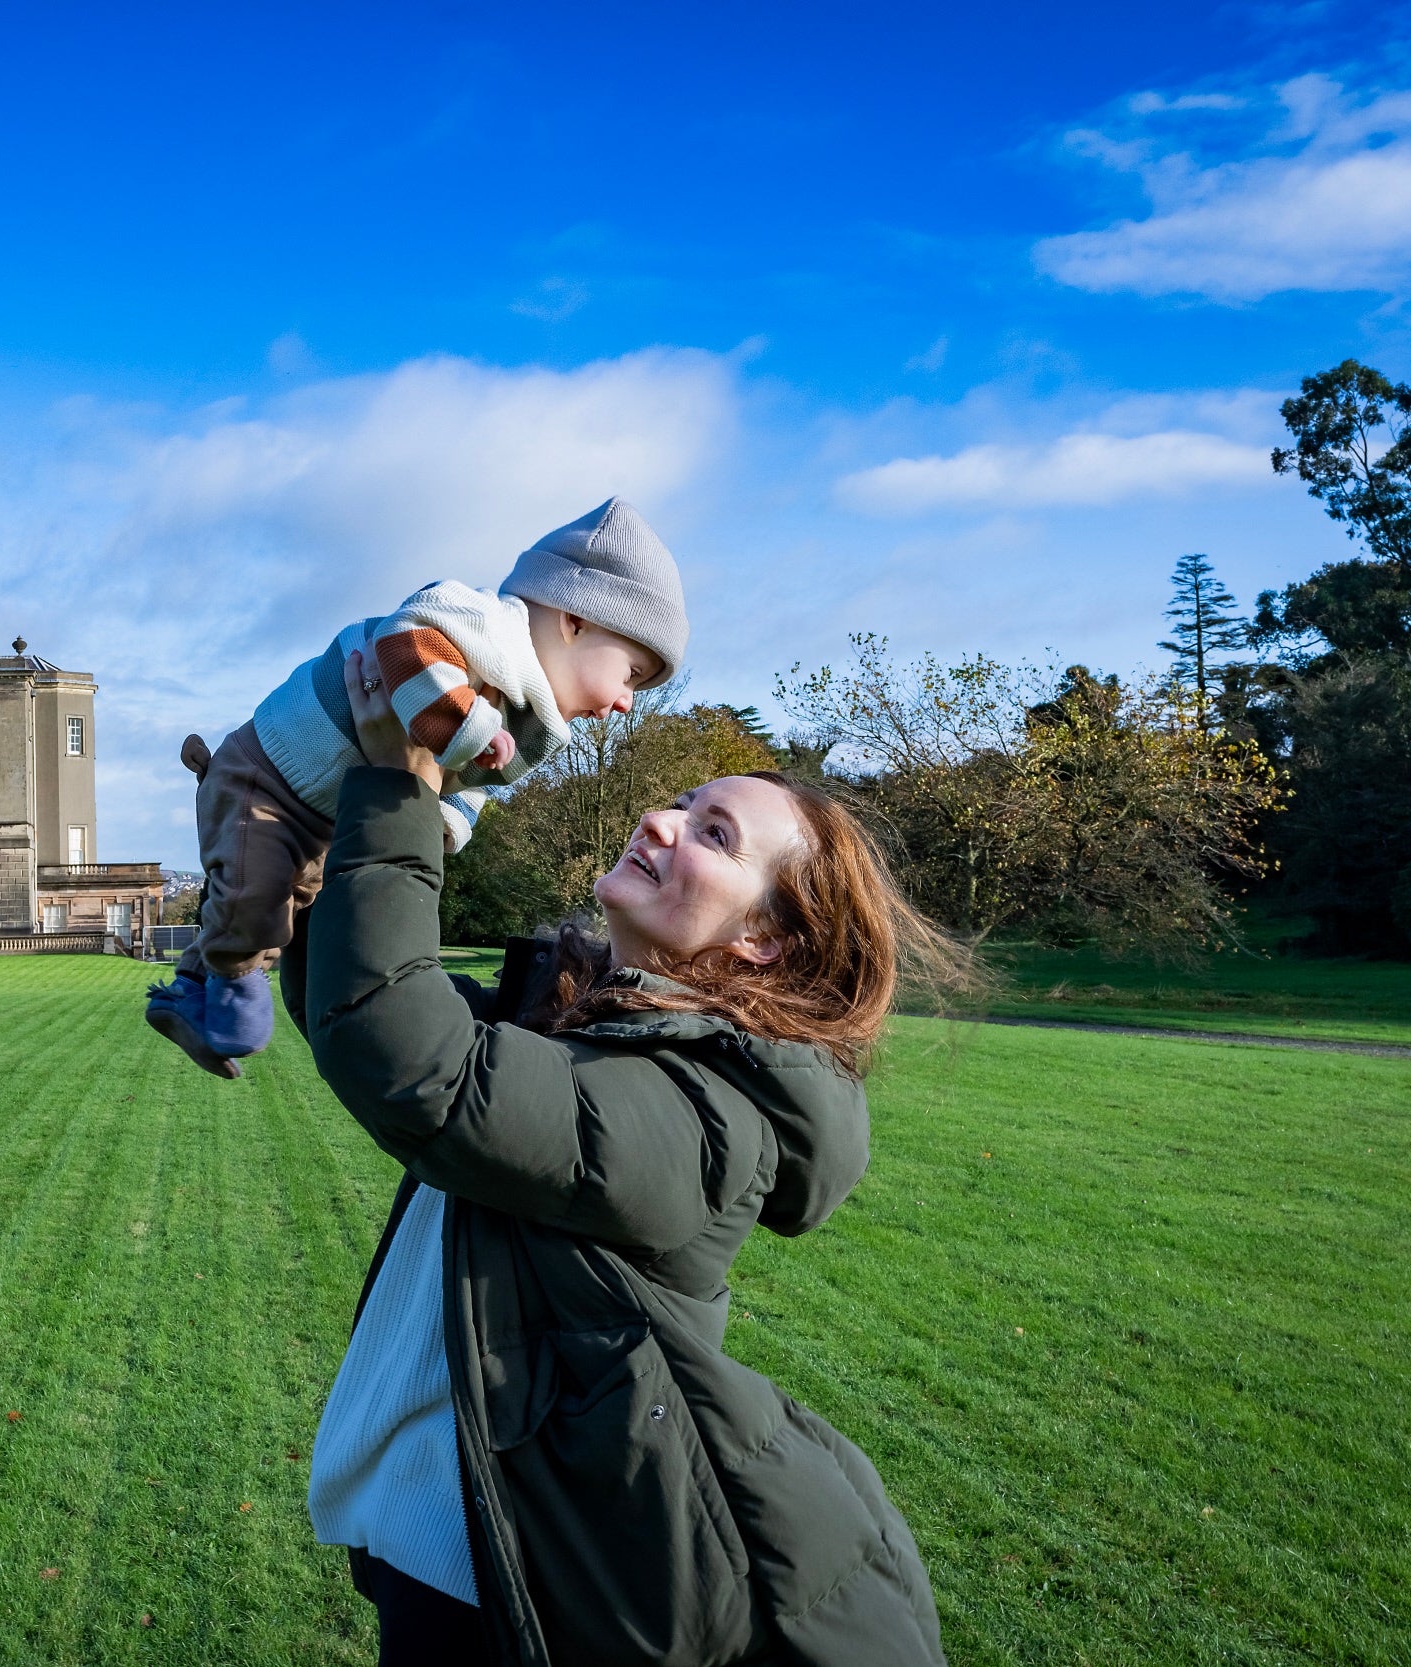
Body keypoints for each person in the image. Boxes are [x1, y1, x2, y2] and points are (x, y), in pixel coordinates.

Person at [295, 650, 955, 1667]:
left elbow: (414, 1064)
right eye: (682, 802)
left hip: (513, 1564)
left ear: (764, 942)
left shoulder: (707, 1116)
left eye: (714, 835)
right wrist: (291, 847)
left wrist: (397, 787)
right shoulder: (588, 1024)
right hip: (450, 1532)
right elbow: (359, 990)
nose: (661, 818)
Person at [148, 498, 687, 1078]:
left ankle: (191, 995)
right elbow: (407, 644)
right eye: (631, 675)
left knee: (281, 907)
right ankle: (226, 998)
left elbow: (462, 788)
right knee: (255, 912)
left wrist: (445, 821)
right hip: (266, 780)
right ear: (575, 620)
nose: (626, 700)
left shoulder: (524, 715)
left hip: (323, 822)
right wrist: (463, 725)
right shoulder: (481, 621)